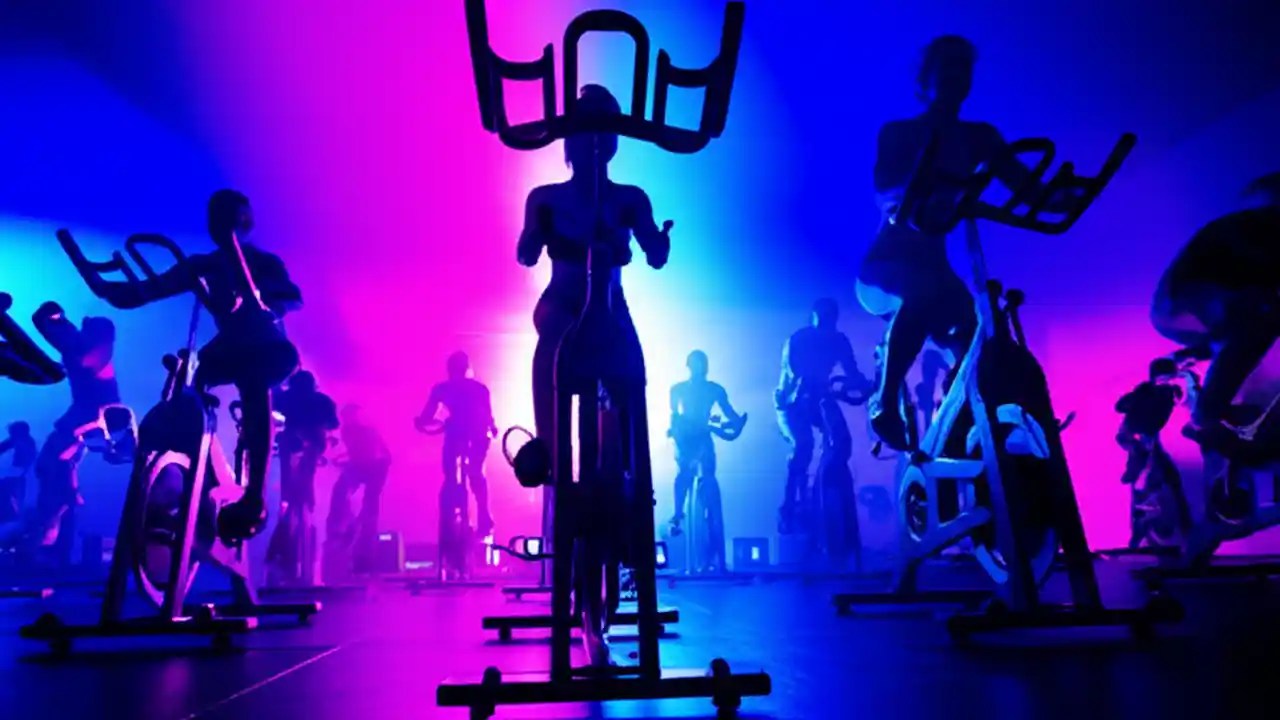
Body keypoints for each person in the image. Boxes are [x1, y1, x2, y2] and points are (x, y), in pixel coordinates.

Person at [857, 36, 1068, 452]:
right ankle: (884, 404)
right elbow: (883, 189)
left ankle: (961, 423)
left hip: (936, 270)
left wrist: (1061, 197)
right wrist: (917, 194)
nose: (956, 76)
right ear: (925, 80)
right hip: (884, 268)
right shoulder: (899, 132)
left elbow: (1027, 190)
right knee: (922, 293)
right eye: (946, 67)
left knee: (976, 335)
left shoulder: (981, 138)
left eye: (963, 68)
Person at [79, 189, 303, 545]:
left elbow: (291, 299)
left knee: (253, 384)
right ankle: (194, 469)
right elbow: (147, 291)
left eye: (230, 217)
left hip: (266, 345)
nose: (223, 225)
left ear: (244, 222)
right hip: (229, 347)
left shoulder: (264, 263)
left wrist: (260, 297)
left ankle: (254, 494)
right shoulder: (203, 266)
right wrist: (109, 289)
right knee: (192, 388)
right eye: (218, 218)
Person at [517, 84, 670, 445]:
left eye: (604, 133)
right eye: (587, 134)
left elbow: (656, 255)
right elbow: (525, 254)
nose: (595, 143)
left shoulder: (630, 199)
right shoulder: (545, 199)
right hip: (562, 301)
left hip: (611, 302)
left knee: (632, 368)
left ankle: (632, 456)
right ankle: (547, 446)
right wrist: (534, 236)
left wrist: (659, 244)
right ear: (572, 141)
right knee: (552, 349)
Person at [1151, 171, 1280, 441]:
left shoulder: (1247, 230)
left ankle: (1196, 360)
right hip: (1185, 298)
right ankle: (1206, 415)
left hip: (1186, 305)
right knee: (1260, 316)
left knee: (1253, 316)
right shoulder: (1246, 228)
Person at [30, 303, 119, 565]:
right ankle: (55, 535)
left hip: (93, 416)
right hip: (87, 415)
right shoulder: (84, 346)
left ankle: (52, 535)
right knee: (52, 468)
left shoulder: (90, 350)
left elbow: (86, 361)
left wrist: (56, 322)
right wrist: (56, 319)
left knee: (53, 465)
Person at [775, 299, 872, 533]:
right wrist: (813, 386)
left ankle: (831, 483)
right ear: (814, 316)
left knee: (841, 437)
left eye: (832, 316)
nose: (828, 320)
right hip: (791, 403)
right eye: (823, 315)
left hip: (819, 397)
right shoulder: (798, 340)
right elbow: (797, 378)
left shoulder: (840, 341)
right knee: (804, 444)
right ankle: (788, 506)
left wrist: (868, 384)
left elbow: (852, 372)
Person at [1115, 358, 1196, 547]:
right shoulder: (1146, 392)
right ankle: (1139, 536)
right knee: (1142, 482)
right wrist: (1139, 395)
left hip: (1150, 440)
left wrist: (1188, 378)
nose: (1166, 383)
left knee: (1168, 480)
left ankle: (1187, 529)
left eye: (1170, 378)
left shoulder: (1170, 392)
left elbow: (1185, 400)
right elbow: (1120, 407)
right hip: (1137, 439)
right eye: (1163, 379)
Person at [416, 351, 499, 535]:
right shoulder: (480, 388)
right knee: (476, 473)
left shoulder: (442, 388)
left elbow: (428, 414)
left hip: (458, 433)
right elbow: (488, 415)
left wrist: (421, 423)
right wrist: (492, 428)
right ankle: (484, 517)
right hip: (477, 435)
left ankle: (455, 507)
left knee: (452, 474)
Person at [268, 369, 339, 582]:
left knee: (290, 493)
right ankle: (302, 505)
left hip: (291, 443)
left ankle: (285, 550)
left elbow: (272, 401)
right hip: (311, 444)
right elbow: (334, 423)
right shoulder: (323, 400)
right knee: (302, 490)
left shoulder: (286, 397)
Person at [667, 350, 744, 540]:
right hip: (685, 439)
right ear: (689, 366)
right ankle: (678, 514)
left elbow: (729, 413)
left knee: (707, 474)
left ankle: (709, 514)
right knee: (683, 472)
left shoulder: (715, 390)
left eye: (701, 364)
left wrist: (738, 422)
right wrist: (676, 433)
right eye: (695, 364)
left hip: (702, 437)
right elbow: (674, 417)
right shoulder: (678, 389)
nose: (698, 368)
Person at [326, 404, 391, 576]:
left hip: (375, 467)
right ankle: (344, 528)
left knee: (369, 503)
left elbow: (372, 455)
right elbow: (355, 454)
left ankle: (364, 539)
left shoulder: (366, 432)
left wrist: (347, 463)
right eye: (345, 417)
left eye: (350, 416)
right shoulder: (347, 431)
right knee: (341, 491)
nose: (346, 420)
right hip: (362, 466)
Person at [0, 422, 36, 529]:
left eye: (12, 432)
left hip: (15, 480)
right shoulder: (20, 441)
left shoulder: (23, 443)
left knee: (11, 506)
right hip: (15, 479)